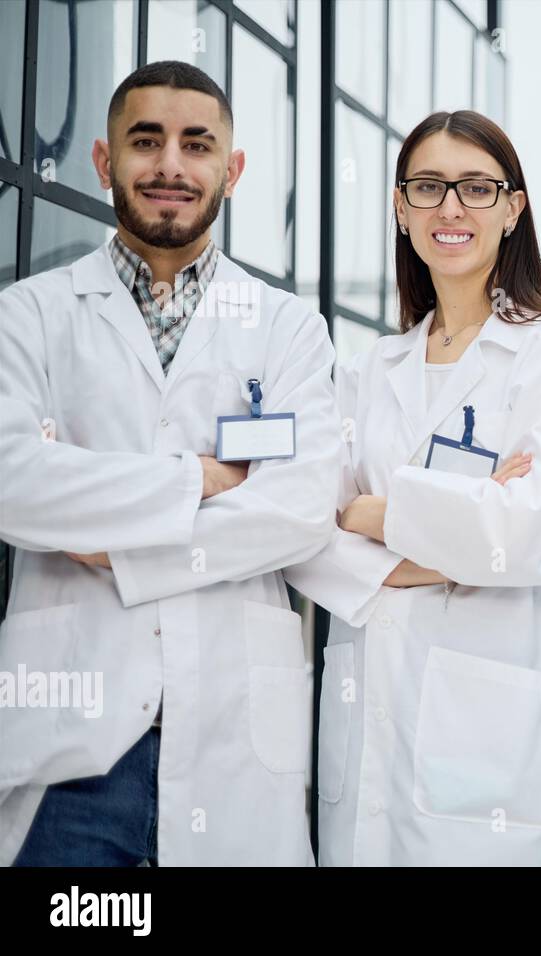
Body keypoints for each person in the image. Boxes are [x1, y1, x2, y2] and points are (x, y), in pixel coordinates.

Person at [0, 61, 340, 865]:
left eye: (198, 144)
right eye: (145, 141)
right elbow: (14, 481)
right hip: (73, 757)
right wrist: (202, 479)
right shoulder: (29, 316)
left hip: (233, 745)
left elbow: (298, 508)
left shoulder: (288, 329)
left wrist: (107, 540)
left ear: (234, 168)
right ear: (103, 160)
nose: (171, 167)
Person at [284, 110, 541, 866]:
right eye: (428, 187)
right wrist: (454, 530)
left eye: (476, 188)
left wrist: (369, 513)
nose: (450, 208)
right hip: (363, 735)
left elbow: (521, 540)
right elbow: (301, 533)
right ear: (400, 207)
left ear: (512, 209)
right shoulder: (365, 371)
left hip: (480, 745)